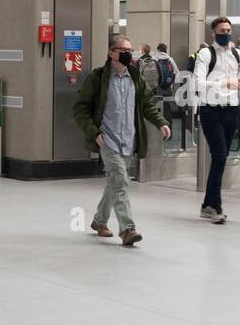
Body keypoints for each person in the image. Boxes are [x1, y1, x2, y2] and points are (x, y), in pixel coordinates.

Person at [73, 34, 170, 246]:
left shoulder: (135, 78)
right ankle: (127, 229)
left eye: (130, 51)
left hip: (129, 139)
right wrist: (93, 132)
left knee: (115, 183)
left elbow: (147, 105)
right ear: (111, 53)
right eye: (123, 51)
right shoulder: (98, 79)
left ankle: (99, 221)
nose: (127, 54)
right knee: (121, 181)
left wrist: (161, 122)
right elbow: (80, 108)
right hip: (107, 139)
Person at [193, 17, 240, 224]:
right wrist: (224, 82)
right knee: (218, 155)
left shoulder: (238, 55)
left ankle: (207, 204)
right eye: (221, 30)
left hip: (232, 110)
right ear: (213, 33)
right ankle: (214, 205)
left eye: (228, 30)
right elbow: (198, 82)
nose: (225, 33)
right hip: (211, 110)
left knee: (222, 157)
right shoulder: (206, 54)